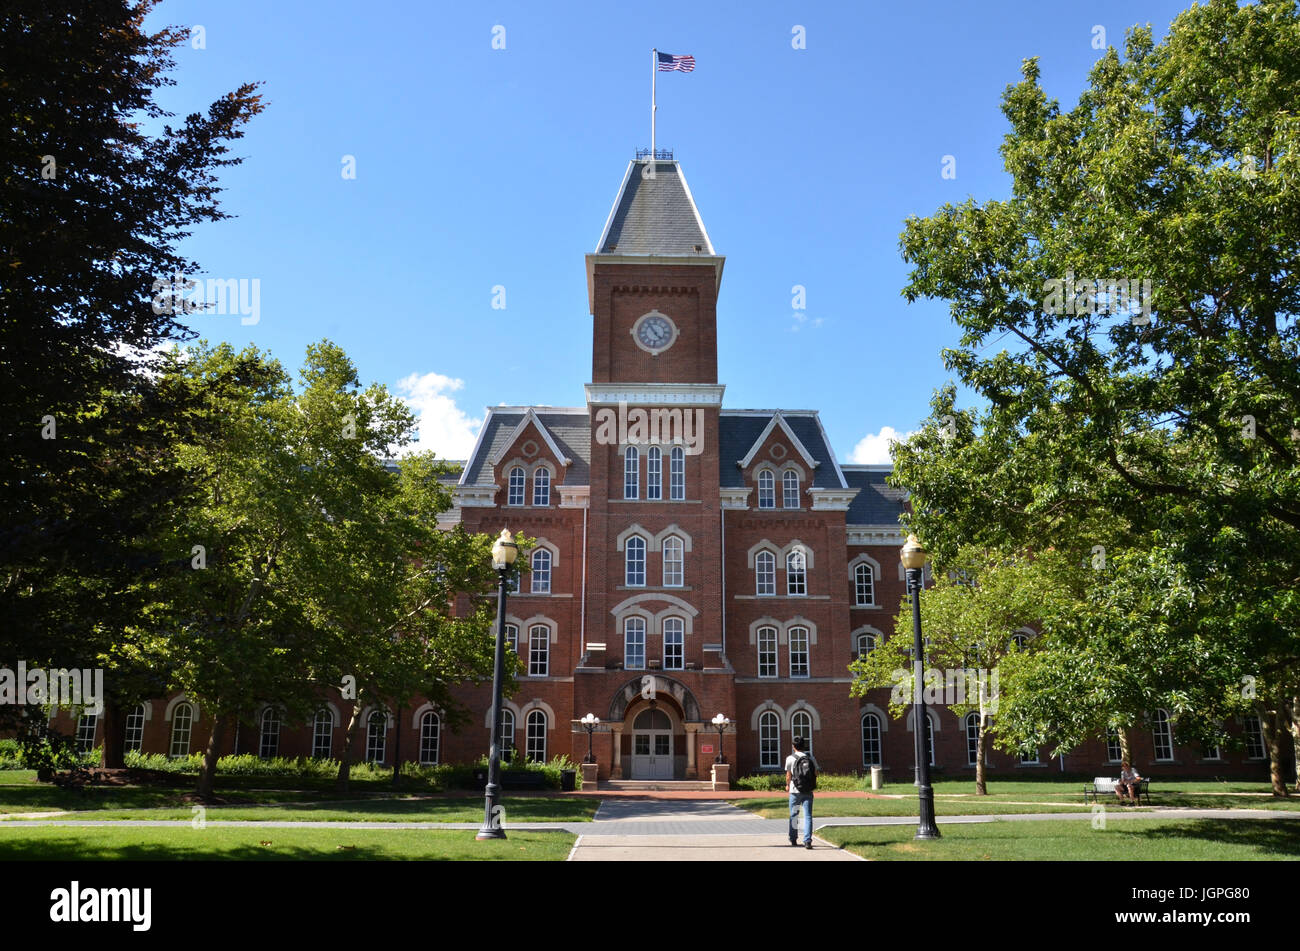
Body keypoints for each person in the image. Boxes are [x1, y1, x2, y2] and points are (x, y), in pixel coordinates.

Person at [785, 736, 819, 849]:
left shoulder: (790, 758)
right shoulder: (810, 757)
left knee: (794, 814)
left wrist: (787, 785)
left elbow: (788, 775)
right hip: (808, 790)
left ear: (793, 746)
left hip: (795, 791)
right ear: (804, 746)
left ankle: (793, 838)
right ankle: (807, 840)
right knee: (808, 815)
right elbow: (816, 773)